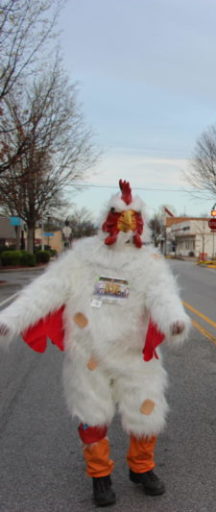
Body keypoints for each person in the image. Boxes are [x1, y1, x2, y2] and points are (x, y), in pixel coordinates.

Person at [0, 180, 191, 506]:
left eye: (133, 217)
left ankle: (141, 467)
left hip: (134, 354)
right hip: (89, 352)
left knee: (146, 410)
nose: (127, 224)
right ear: (109, 218)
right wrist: (11, 319)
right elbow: (48, 288)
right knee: (92, 414)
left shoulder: (149, 261)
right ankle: (100, 476)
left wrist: (174, 320)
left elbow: (163, 295)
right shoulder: (83, 257)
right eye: (120, 216)